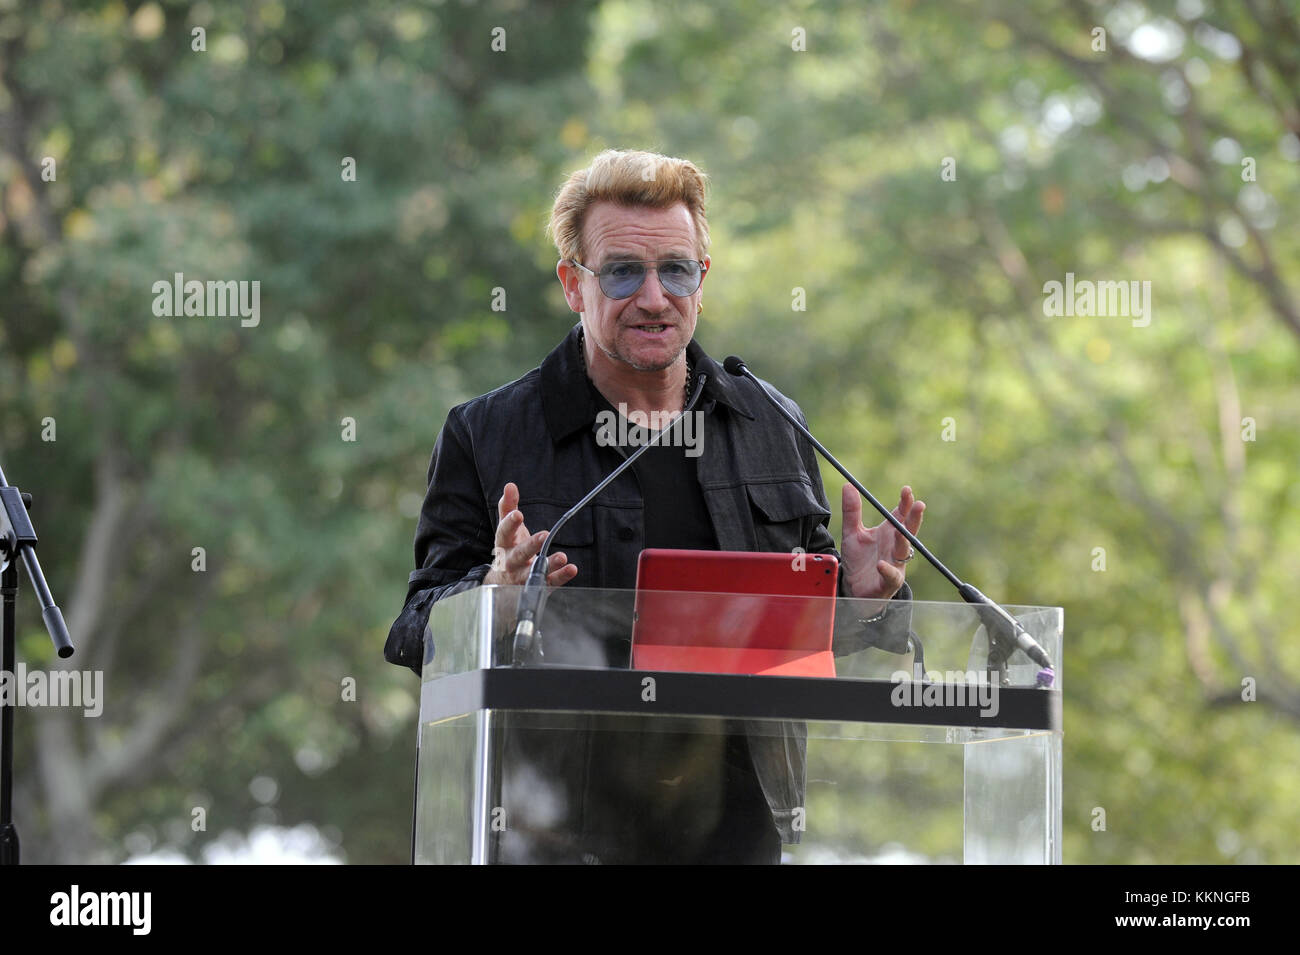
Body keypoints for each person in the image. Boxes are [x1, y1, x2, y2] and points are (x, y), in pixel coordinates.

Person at [386, 148, 926, 863]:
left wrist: (858, 596)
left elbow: (801, 632)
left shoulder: (769, 421)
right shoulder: (488, 433)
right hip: (547, 835)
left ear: (702, 281)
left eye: (676, 269)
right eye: (622, 272)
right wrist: (493, 598)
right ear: (573, 286)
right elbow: (413, 628)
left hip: (736, 835)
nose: (653, 296)